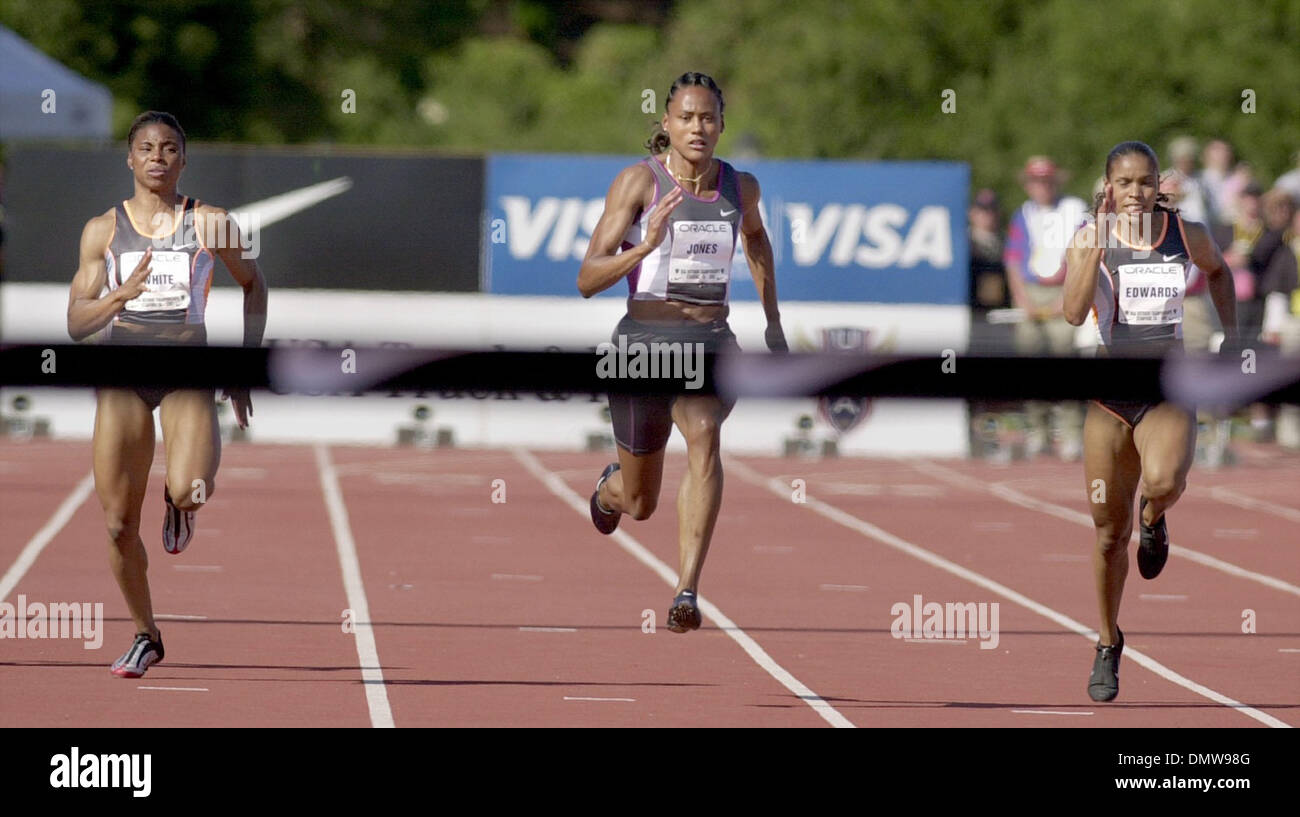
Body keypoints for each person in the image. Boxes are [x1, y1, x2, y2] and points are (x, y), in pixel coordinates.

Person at [577, 72, 786, 633]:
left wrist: (772, 322)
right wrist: (644, 246)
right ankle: (610, 490)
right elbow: (587, 278)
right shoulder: (637, 184)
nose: (699, 127)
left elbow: (757, 239)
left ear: (721, 124)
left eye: (709, 118)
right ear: (666, 124)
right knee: (641, 501)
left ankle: (687, 589)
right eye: (687, 118)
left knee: (704, 432)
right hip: (644, 345)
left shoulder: (741, 188)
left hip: (711, 342)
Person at [65, 111, 268, 677]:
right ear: (129, 159)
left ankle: (180, 507)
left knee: (191, 488)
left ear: (183, 159)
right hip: (123, 374)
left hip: (186, 371)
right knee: (116, 526)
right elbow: (77, 323)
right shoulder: (101, 231)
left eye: (170, 148)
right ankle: (145, 635)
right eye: (147, 148)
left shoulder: (210, 223)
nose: (157, 157)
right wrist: (117, 297)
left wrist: (246, 362)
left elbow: (254, 283)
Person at [1063, 141, 1237, 702]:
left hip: (1166, 386)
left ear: (1159, 183)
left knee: (1163, 481)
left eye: (1145, 182)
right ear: (1108, 185)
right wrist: (1095, 245)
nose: (1136, 193)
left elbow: (1219, 272)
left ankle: (1155, 515)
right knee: (1109, 533)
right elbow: (1070, 312)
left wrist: (1232, 340)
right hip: (1109, 394)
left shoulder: (1185, 234)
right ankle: (1108, 642)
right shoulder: (1090, 235)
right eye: (1125, 183)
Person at [1004, 156, 1088, 459]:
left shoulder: (1074, 210)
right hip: (1031, 292)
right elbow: (1013, 260)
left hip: (1064, 290)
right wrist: (1022, 299)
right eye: (1036, 181)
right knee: (1030, 360)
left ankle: (1071, 433)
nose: (1041, 187)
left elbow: (1086, 256)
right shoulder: (1022, 215)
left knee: (1066, 359)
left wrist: (1068, 297)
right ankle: (1037, 431)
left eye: (1046, 181)